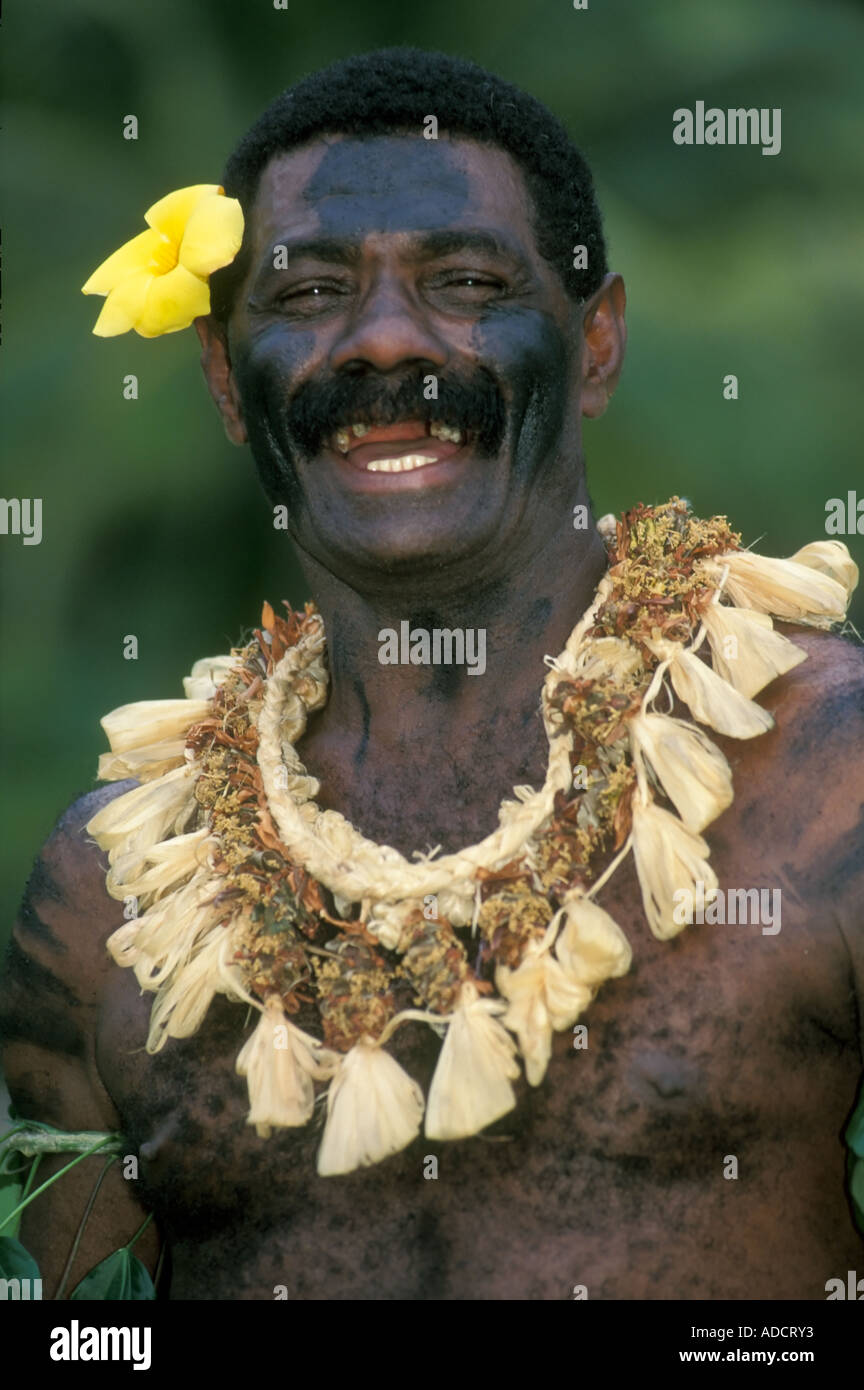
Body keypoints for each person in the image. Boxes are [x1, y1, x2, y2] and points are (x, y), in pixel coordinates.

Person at [1, 48, 862, 1302]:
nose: (384, 338)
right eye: (305, 293)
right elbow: (76, 1330)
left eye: (464, 282)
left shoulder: (831, 779)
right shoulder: (114, 899)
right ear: (223, 382)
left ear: (598, 342)